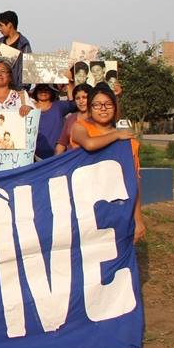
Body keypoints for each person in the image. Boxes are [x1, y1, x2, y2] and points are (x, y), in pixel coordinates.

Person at [69, 84, 144, 243]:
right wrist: (117, 134)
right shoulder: (80, 127)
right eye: (96, 105)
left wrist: (138, 219)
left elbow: (134, 179)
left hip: (117, 209)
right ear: (89, 109)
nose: (103, 108)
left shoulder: (128, 141)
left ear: (115, 108)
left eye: (108, 104)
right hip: (84, 209)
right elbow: (89, 144)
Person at [32, 84, 77, 159]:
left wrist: (69, 84)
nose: (43, 92)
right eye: (40, 89)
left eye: (46, 89)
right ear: (36, 92)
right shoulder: (30, 108)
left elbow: (73, 104)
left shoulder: (59, 106)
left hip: (59, 154)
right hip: (36, 156)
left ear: (51, 92)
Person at [0, 10, 32, 89]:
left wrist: (23, 90)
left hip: (17, 90)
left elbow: (28, 70)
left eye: (1, 25)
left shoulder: (24, 44)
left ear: (10, 25)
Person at [55, 83, 93, 155]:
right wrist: (54, 163)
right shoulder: (70, 119)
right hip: (72, 161)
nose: (81, 101)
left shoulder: (98, 117)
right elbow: (61, 144)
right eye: (78, 98)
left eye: (84, 97)